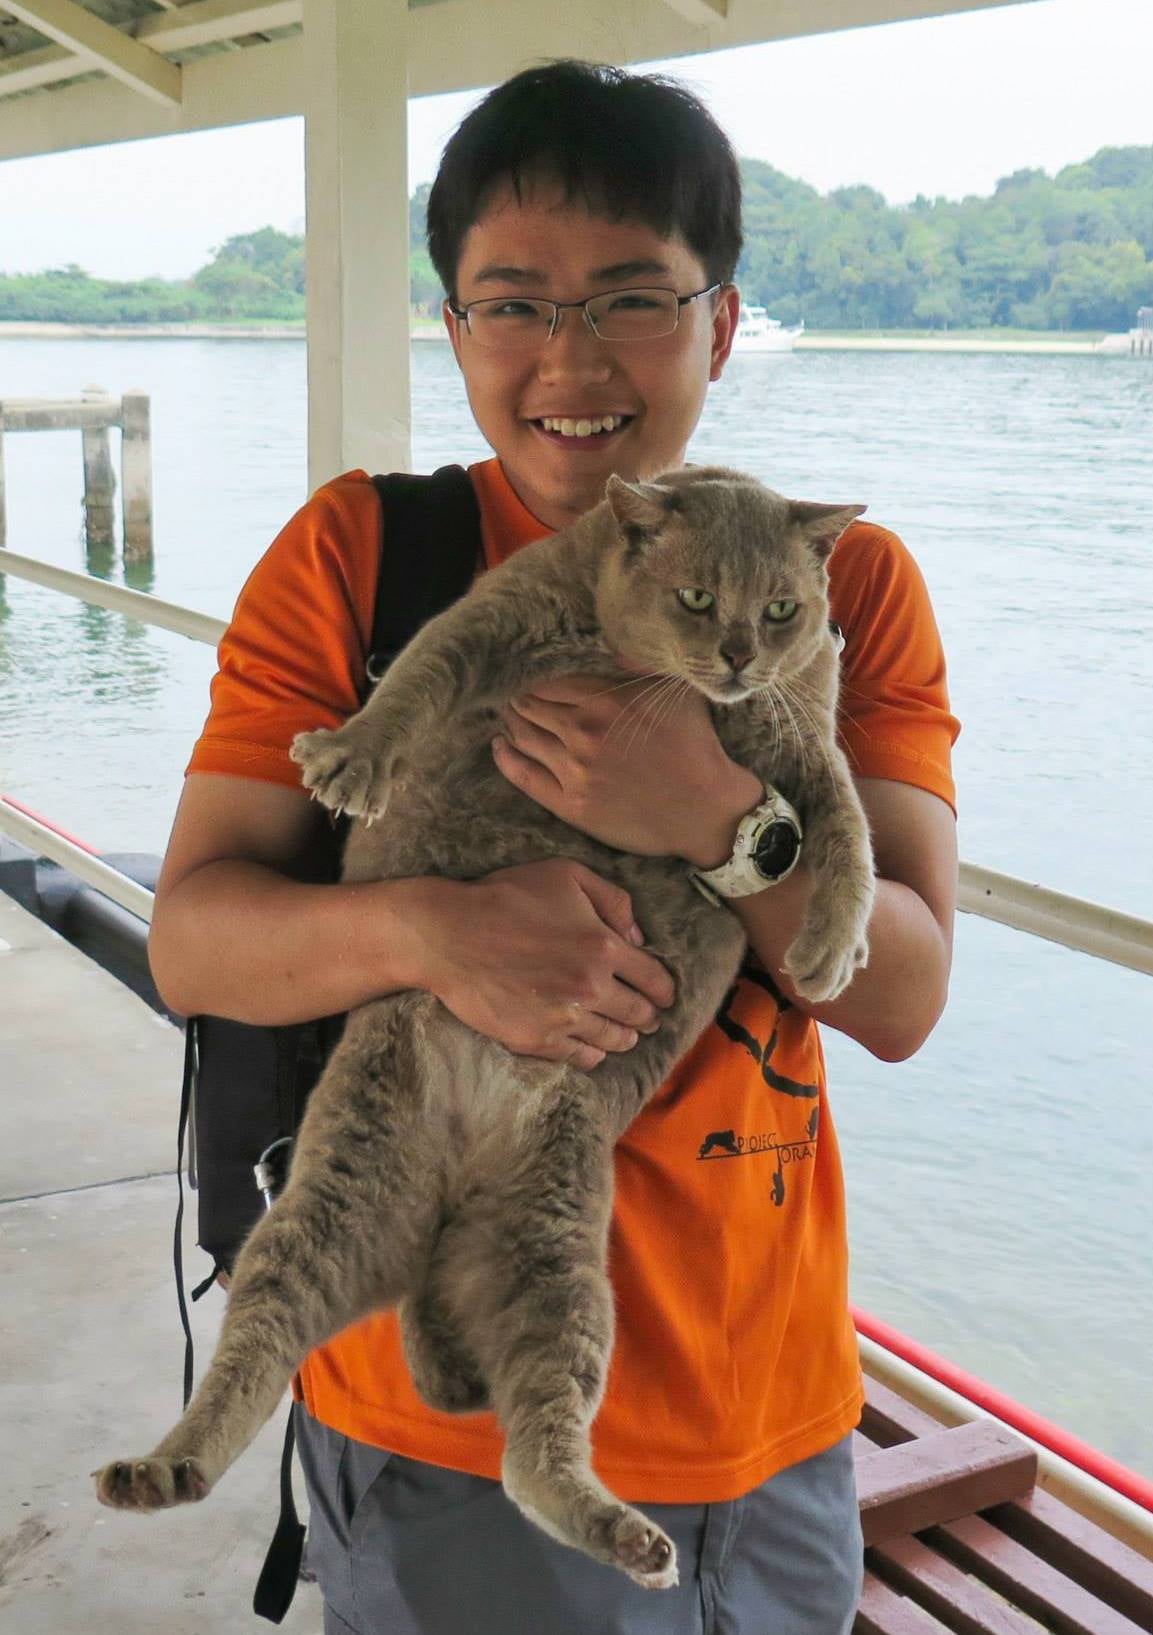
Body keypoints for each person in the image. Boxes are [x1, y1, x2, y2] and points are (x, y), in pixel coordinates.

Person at [150, 60, 959, 1635]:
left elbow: (902, 997)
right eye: (511, 303)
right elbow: (194, 940)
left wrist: (716, 819)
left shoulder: (835, 586)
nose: (568, 360)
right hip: (435, 1419)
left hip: (776, 1406)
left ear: (719, 321)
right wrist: (432, 933)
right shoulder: (361, 558)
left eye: (631, 299)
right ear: (451, 325)